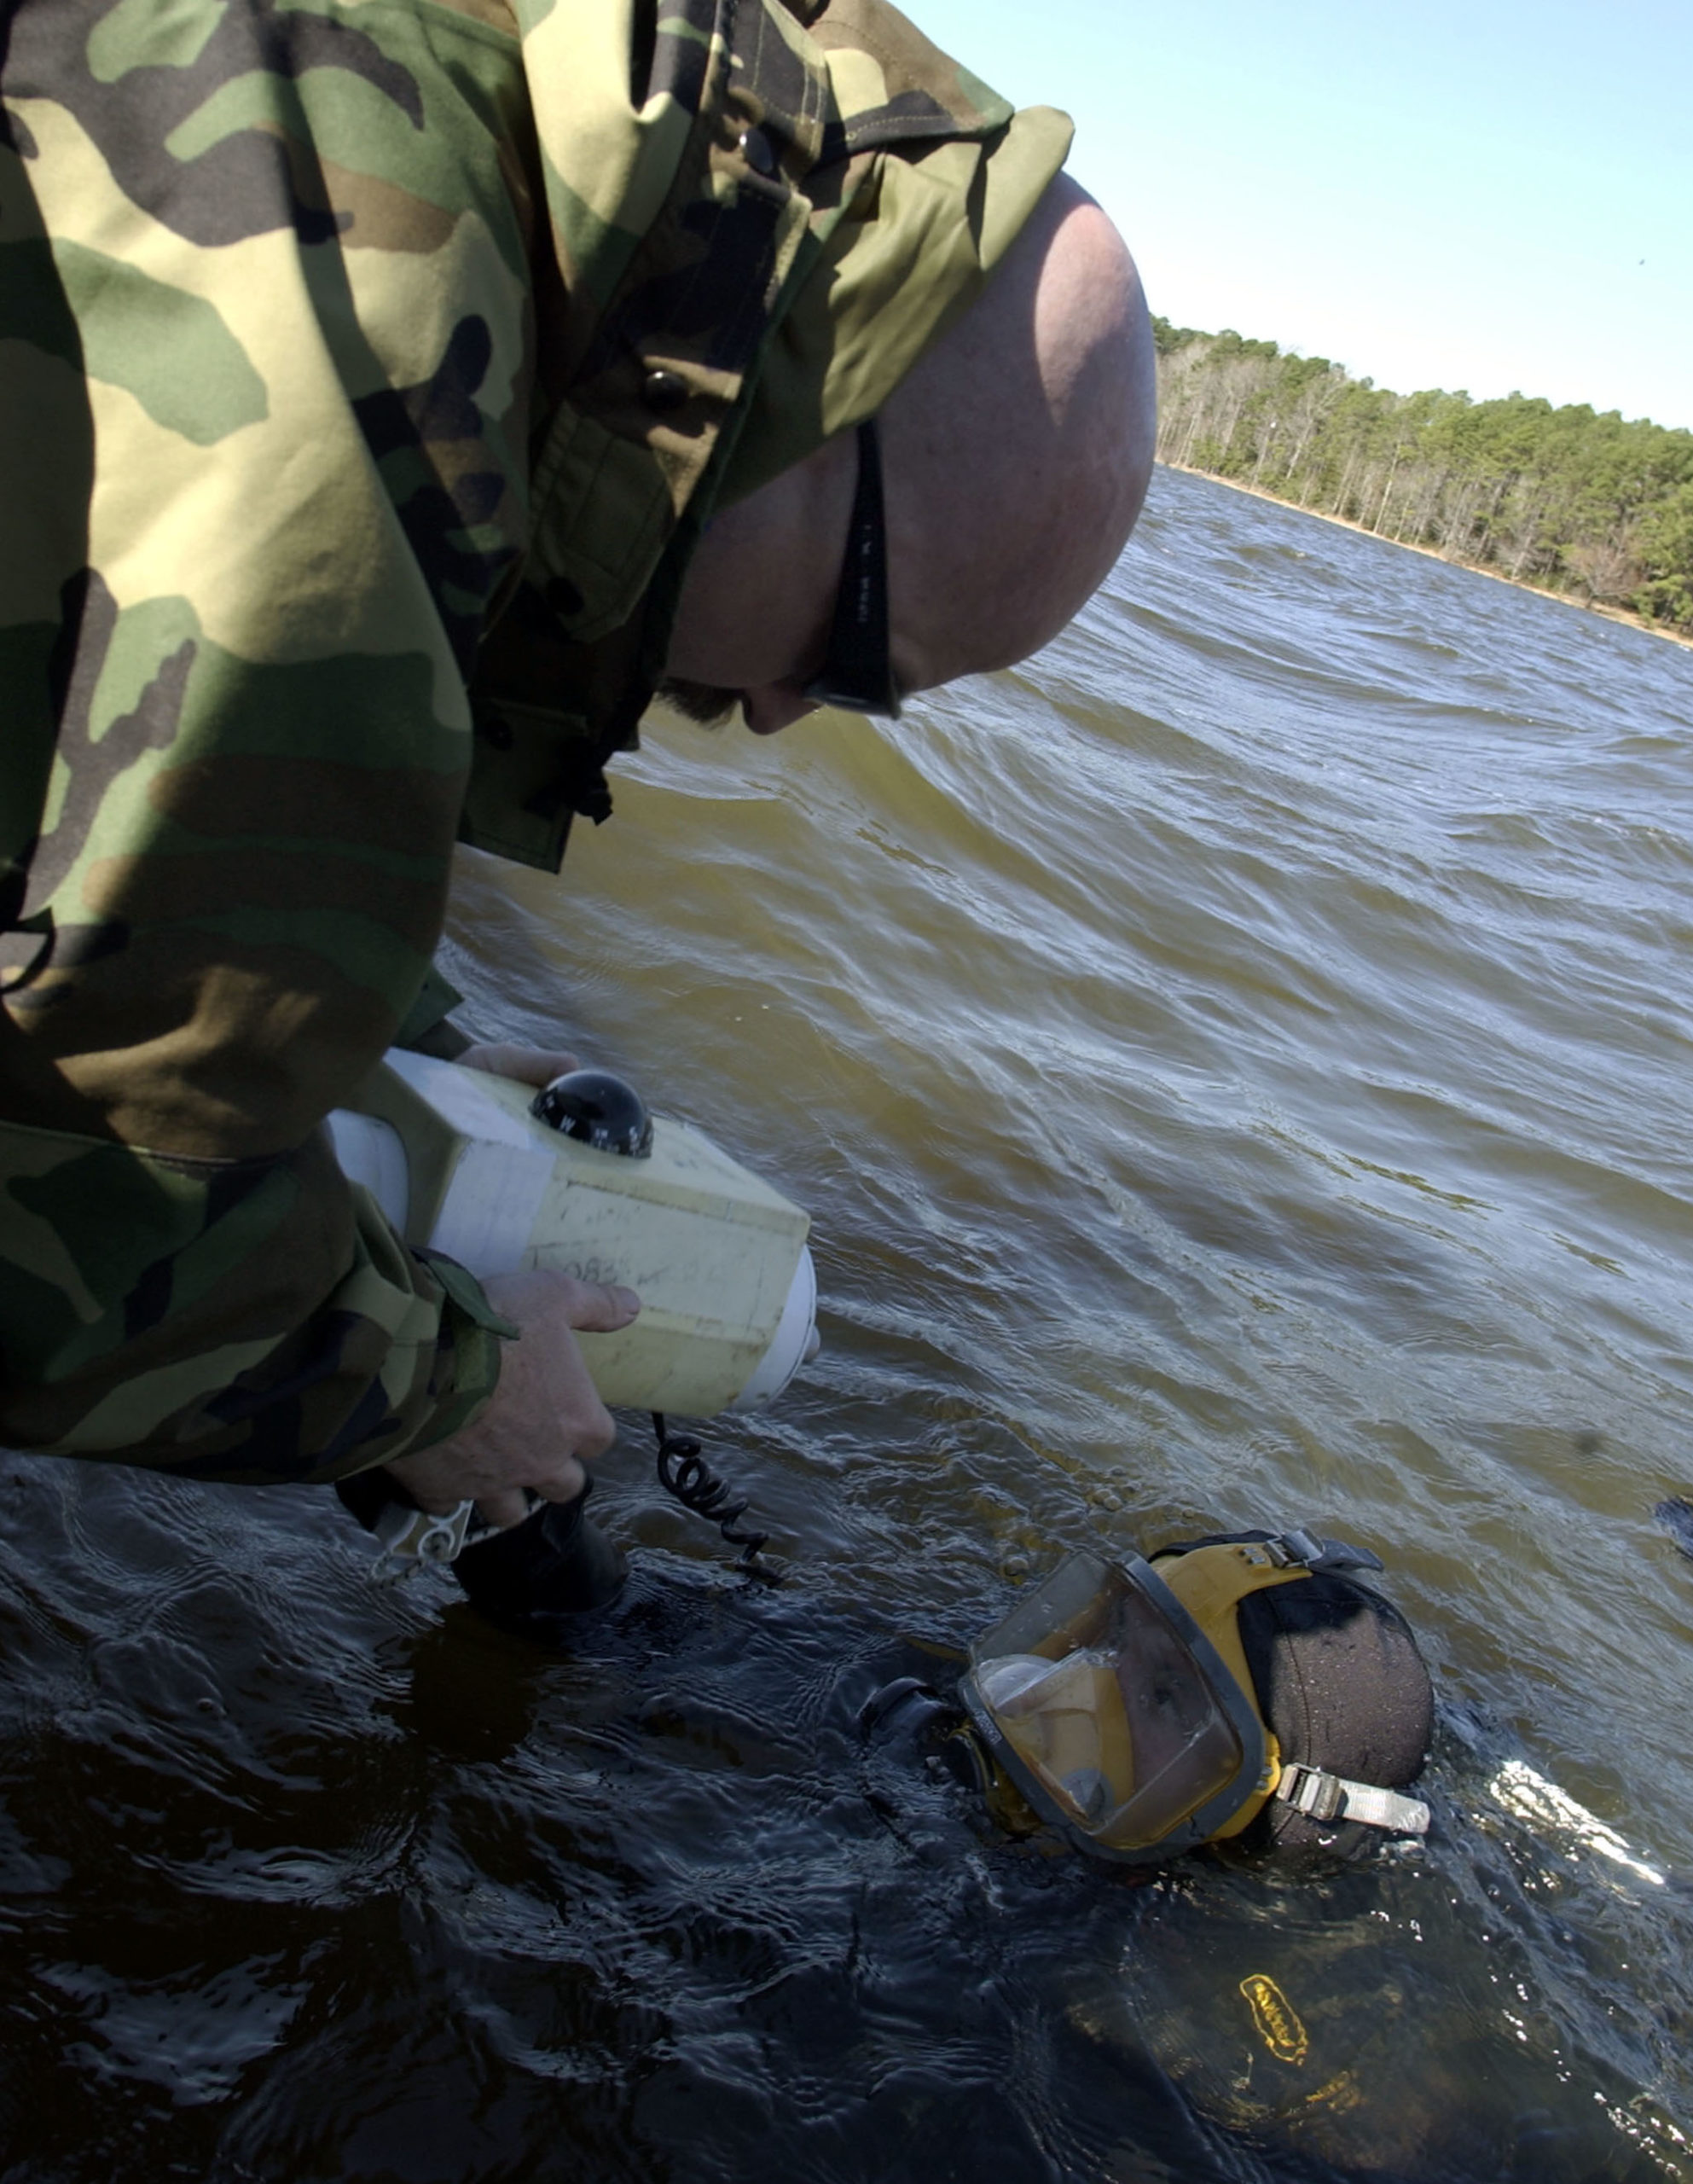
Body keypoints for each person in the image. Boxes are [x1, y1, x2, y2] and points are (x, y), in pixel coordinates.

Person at [0, 1, 1155, 1563]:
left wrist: (388, 1025)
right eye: (857, 652)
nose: (774, 709)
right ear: (819, 397)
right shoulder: (375, 368)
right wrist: (439, 1389)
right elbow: (65, 1210)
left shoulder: (478, 97)